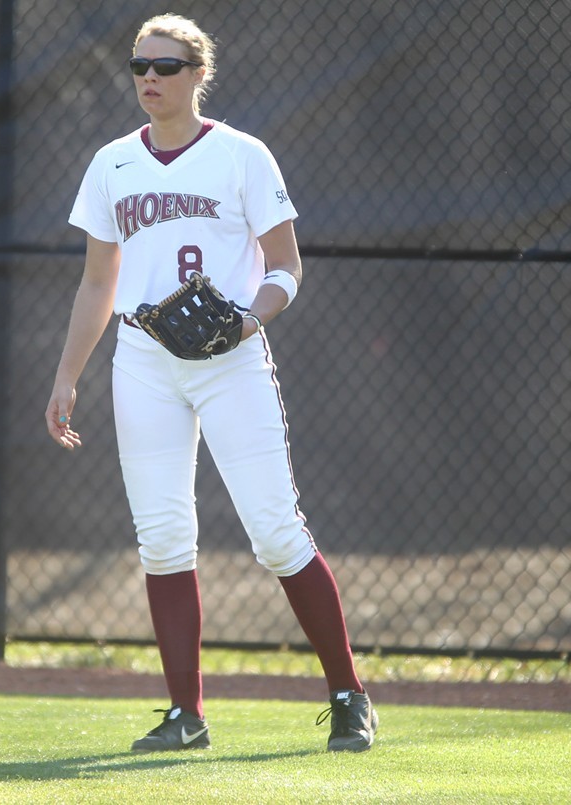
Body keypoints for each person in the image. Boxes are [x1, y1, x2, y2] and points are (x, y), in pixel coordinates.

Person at [44, 14, 376, 753]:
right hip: (144, 362)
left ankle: (350, 694)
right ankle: (184, 714)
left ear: (199, 73)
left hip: (229, 360)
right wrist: (68, 373)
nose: (149, 79)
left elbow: (287, 266)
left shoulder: (240, 156)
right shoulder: (111, 165)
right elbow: (100, 282)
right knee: (162, 538)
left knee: (274, 530)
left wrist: (251, 319)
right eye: (138, 67)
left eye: (165, 66)